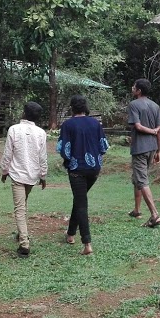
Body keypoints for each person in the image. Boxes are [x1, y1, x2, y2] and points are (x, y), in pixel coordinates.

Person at [58, 95, 109, 255]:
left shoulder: (68, 125)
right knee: (79, 199)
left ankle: (87, 243)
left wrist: (69, 160)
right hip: (94, 169)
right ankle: (70, 234)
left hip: (76, 170)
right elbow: (104, 146)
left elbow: (63, 149)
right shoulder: (95, 123)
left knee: (81, 203)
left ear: (72, 108)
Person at [0, 101, 47, 257]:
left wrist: (4, 171)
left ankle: (24, 244)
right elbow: (43, 156)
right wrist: (43, 175)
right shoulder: (41, 133)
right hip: (32, 175)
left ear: (24, 113)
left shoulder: (14, 129)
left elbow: (8, 153)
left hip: (17, 174)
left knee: (19, 209)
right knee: (23, 204)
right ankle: (22, 233)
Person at [127, 78, 160, 227]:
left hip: (140, 148)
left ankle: (154, 215)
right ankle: (137, 209)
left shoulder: (133, 105)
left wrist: (152, 131)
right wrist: (158, 150)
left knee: (141, 180)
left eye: (134, 86)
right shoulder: (155, 106)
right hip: (151, 147)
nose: (132, 87)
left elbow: (138, 126)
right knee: (138, 178)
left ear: (139, 91)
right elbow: (159, 130)